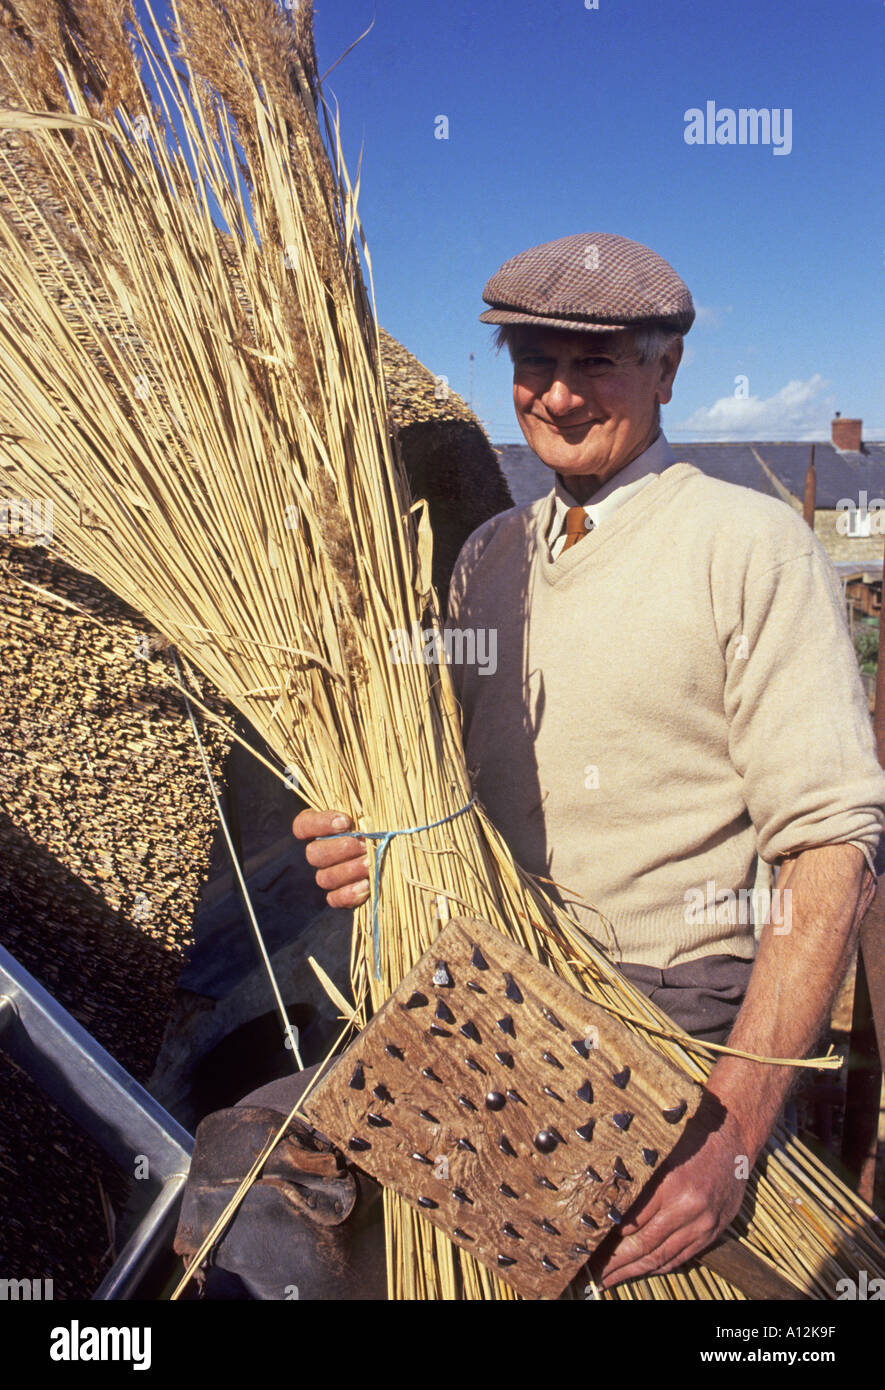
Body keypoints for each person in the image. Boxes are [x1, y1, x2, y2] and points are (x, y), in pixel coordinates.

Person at [294, 232, 885, 1290]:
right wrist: (372, 848)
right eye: (534, 360)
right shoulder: (492, 557)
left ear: (668, 368)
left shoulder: (748, 545)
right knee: (260, 1183)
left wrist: (733, 1133)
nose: (558, 396)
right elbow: (455, 799)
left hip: (658, 1013)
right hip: (477, 989)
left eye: (597, 361)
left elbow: (830, 850)